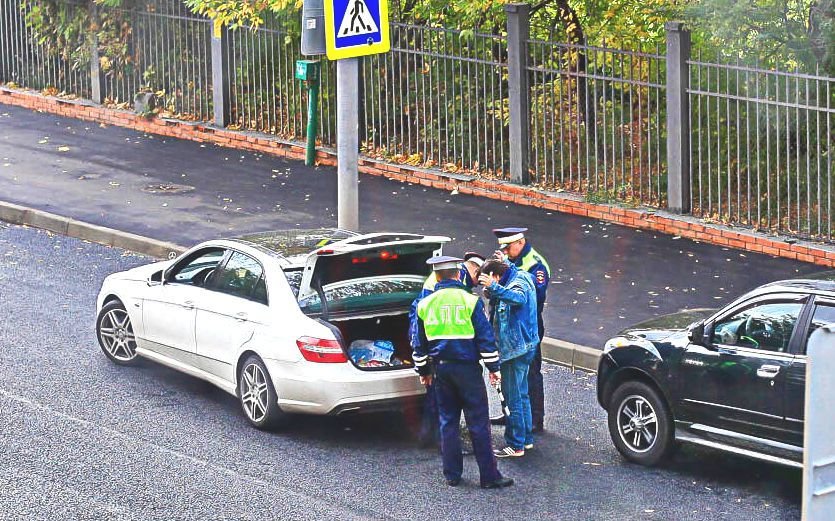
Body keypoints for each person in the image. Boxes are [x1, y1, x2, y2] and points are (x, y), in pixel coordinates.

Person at [413, 256, 514, 489]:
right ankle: (489, 476)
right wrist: (494, 368)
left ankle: (452, 474)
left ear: (437, 276)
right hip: (468, 370)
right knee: (478, 423)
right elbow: (485, 338)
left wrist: (424, 370)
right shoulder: (471, 301)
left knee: (448, 421)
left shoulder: (425, 304)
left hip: (441, 370)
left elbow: (419, 344)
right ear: (458, 275)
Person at [408, 252, 485, 448]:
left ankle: (430, 437)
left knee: (438, 399)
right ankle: (439, 440)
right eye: (479, 278)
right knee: (441, 401)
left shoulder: (447, 277)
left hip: (436, 348)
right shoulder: (457, 283)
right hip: (443, 350)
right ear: (472, 270)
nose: (478, 284)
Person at [491, 227, 550, 433]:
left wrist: (507, 273)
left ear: (520, 242)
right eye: (503, 249)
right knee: (507, 370)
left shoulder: (535, 264)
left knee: (530, 372)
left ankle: (534, 418)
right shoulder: (510, 260)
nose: (505, 252)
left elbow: (535, 294)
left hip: (526, 325)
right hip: (507, 323)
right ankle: (510, 413)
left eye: (508, 248)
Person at [478, 259, 539, 458]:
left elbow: (518, 298)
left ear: (495, 275)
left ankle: (515, 444)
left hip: (515, 351)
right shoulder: (518, 275)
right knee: (522, 395)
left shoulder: (515, 284)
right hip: (526, 347)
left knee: (512, 398)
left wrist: (494, 287)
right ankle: (526, 439)